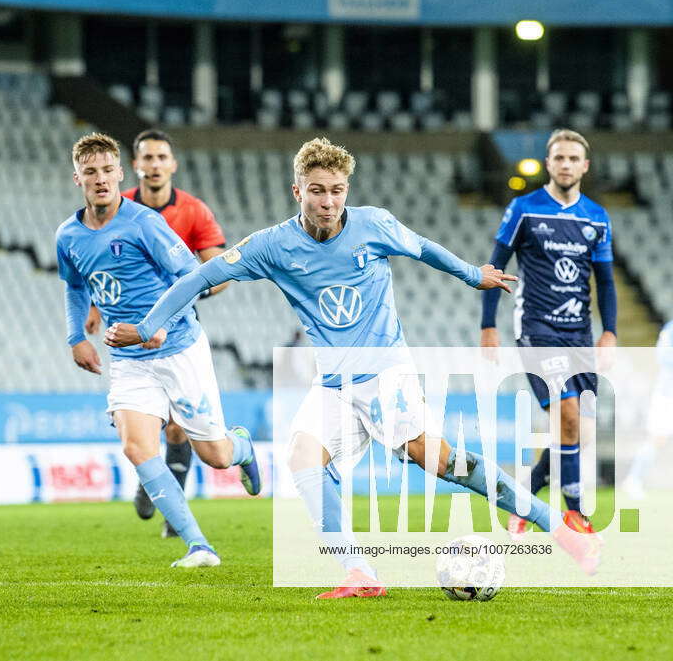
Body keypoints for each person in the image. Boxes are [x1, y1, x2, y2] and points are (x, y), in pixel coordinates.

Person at [106, 137, 600, 597]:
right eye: (317, 191)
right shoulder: (272, 246)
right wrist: (151, 325)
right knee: (302, 458)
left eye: (337, 191)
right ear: (297, 190)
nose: (328, 202)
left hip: (388, 374)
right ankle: (360, 571)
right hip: (334, 383)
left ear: (348, 190)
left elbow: (423, 247)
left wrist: (473, 275)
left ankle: (560, 530)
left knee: (441, 460)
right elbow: (202, 276)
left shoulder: (374, 224)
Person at [55, 133, 261, 568]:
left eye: (108, 170)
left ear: (120, 174)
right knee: (136, 447)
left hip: (179, 349)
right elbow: (75, 286)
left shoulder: (144, 222)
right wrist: (77, 336)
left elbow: (192, 275)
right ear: (77, 178)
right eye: (90, 172)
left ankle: (243, 448)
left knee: (216, 455)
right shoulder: (68, 236)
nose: (100, 179)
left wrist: (158, 325)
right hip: (129, 358)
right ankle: (198, 545)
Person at [83, 129, 229, 537]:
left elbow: (217, 269)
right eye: (147, 158)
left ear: (172, 165)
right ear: (136, 165)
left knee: (180, 427)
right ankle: (160, 489)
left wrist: (198, 284)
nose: (154, 165)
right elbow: (97, 263)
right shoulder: (116, 205)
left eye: (161, 157)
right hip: (130, 327)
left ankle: (167, 502)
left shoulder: (194, 211)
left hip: (179, 324)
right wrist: (94, 307)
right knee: (148, 428)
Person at [479, 129, 616, 538]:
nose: (567, 165)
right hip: (537, 330)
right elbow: (495, 267)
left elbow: (606, 282)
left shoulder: (597, 217)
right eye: (559, 158)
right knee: (569, 418)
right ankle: (576, 517)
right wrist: (488, 326)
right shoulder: (524, 208)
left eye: (574, 159)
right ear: (549, 163)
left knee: (577, 432)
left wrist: (609, 331)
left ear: (584, 166)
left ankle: (523, 498)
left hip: (580, 335)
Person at [620, 321, 673, 499]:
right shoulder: (671, 329)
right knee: (657, 438)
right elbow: (664, 356)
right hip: (667, 393)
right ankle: (633, 479)